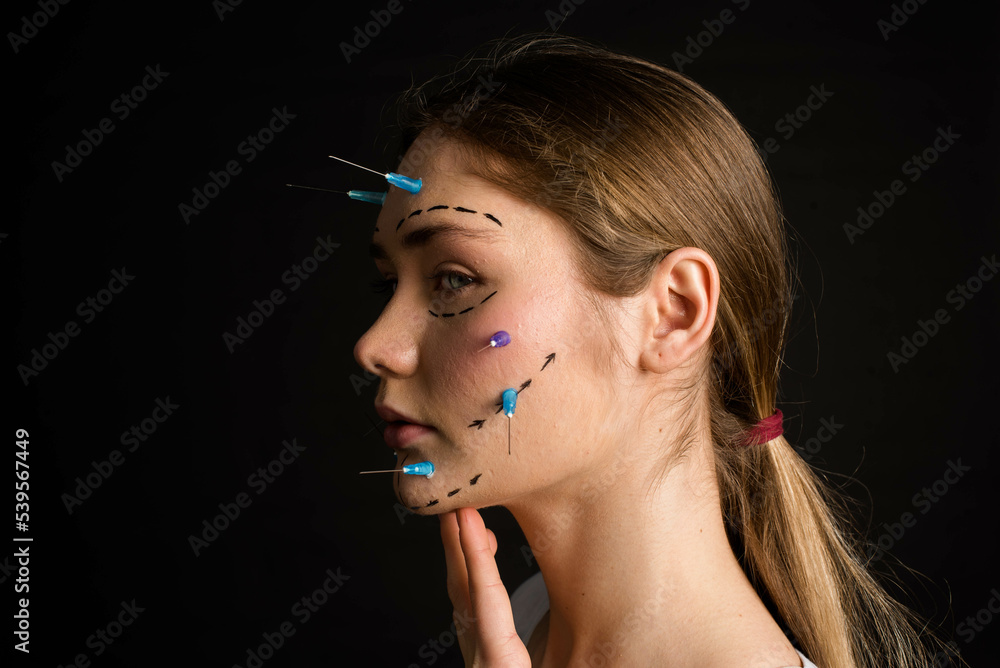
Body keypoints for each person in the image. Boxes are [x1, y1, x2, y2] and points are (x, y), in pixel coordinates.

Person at [354, 33, 950, 667]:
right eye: (390, 284)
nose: (374, 347)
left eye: (453, 278)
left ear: (674, 313)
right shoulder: (519, 624)